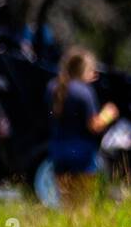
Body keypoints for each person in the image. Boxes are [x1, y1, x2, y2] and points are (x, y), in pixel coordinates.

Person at [47, 46, 119, 208]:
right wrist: (108, 114)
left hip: (58, 151)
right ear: (83, 70)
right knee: (83, 204)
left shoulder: (53, 88)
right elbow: (94, 125)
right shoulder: (84, 91)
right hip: (82, 154)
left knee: (66, 205)